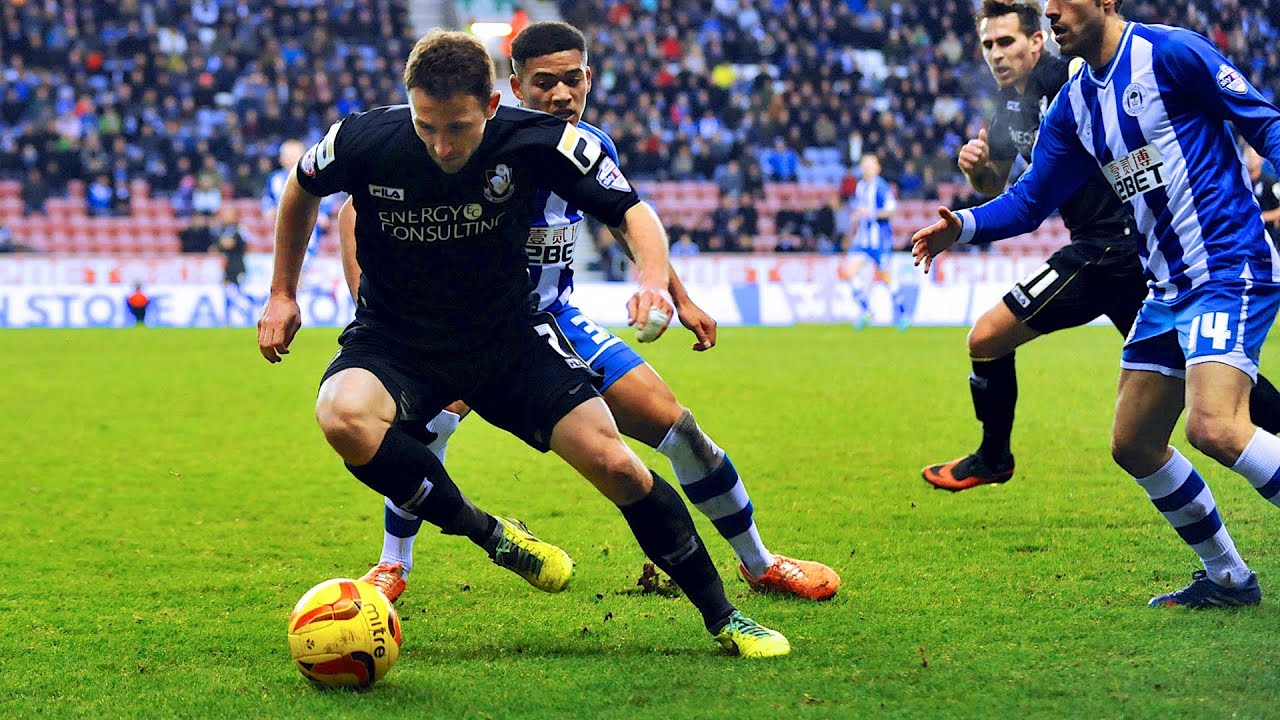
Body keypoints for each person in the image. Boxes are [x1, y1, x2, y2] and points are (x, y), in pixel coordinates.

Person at [257, 30, 789, 657]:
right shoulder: (362, 138)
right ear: (409, 104)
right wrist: (282, 293)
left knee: (617, 463)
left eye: (457, 127)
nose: (441, 144)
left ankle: (725, 616)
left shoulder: (538, 141)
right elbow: (301, 190)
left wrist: (653, 283)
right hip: (396, 338)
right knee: (341, 416)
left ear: (490, 106)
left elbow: (631, 213)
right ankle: (492, 537)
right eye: (427, 126)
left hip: (508, 338)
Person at [347, 22, 839, 605]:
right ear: (513, 88)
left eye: (573, 79)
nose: (561, 94)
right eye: (545, 82)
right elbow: (358, 217)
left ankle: (760, 563)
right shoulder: (464, 147)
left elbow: (626, 217)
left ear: (589, 78)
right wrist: (375, 309)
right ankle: (391, 564)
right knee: (426, 428)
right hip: (462, 328)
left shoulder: (588, 148)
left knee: (679, 429)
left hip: (553, 317)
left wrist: (674, 295)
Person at [911, 0, 1280, 607]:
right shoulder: (1074, 102)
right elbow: (1029, 201)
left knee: (1213, 426)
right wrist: (966, 227)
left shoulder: (1171, 53)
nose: (1051, 11)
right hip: (1164, 285)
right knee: (1133, 443)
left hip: (1226, 265)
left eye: (1061, 1)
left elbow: (1262, 122)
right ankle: (1229, 579)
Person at [844, 154, 899, 329]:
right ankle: (867, 311)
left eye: (870, 165)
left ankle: (903, 313)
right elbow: (860, 211)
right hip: (862, 239)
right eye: (864, 165)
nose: (866, 168)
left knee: (886, 279)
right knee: (849, 272)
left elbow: (891, 211)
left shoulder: (881, 187)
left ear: (877, 168)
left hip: (879, 241)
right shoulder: (860, 186)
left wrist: (871, 213)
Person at [1244, 146, 1280, 245]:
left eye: (1253, 157)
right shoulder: (1245, 183)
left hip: (1272, 236)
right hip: (1252, 235)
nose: (1250, 159)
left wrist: (1262, 217)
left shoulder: (1271, 181)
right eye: (1248, 157)